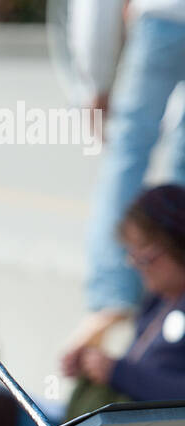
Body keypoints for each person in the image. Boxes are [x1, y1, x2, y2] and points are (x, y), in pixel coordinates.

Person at [62, 0, 185, 360]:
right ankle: (172, 285)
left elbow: (95, 7)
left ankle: (112, 295)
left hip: (160, 18)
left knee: (126, 155)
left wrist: (94, 80)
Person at [63, 183, 185, 401]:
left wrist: (118, 373)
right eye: (132, 252)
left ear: (177, 246)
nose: (134, 263)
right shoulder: (159, 300)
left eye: (145, 256)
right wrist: (94, 365)